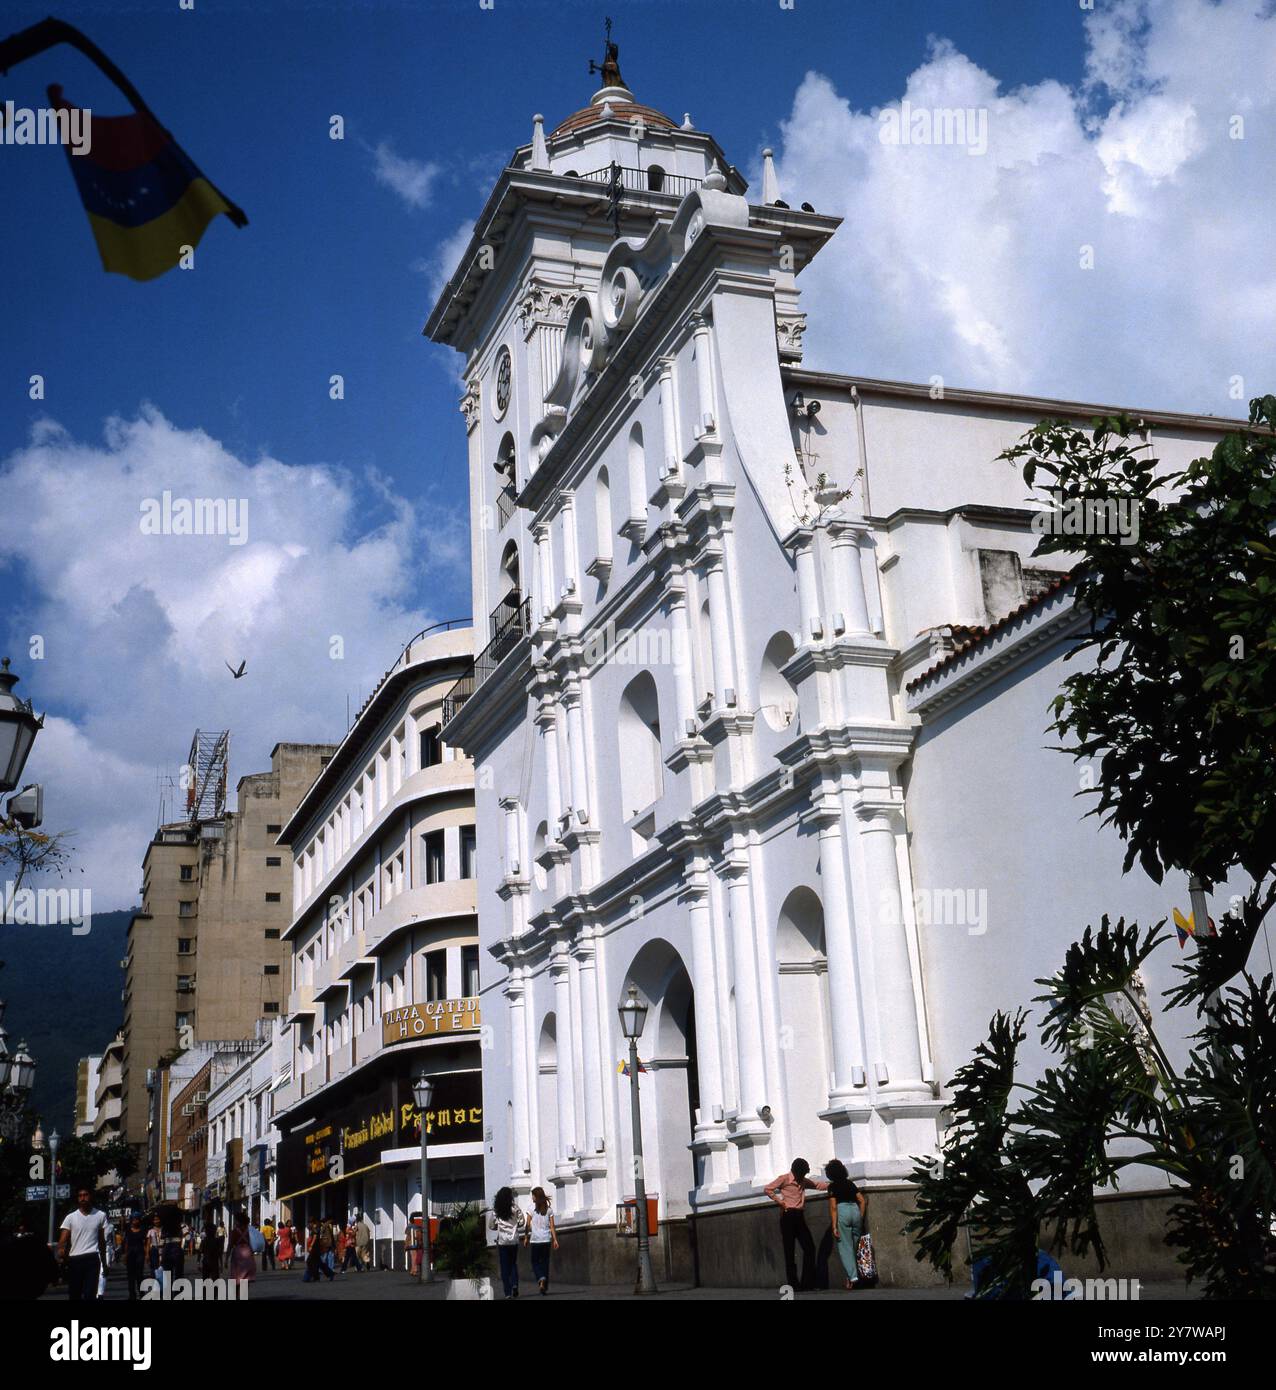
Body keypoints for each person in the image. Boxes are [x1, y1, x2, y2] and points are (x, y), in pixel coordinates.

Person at [764, 1158, 828, 1292]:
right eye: (802, 1174)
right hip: (787, 1215)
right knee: (789, 1250)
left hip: (799, 1216)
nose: (802, 1177)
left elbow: (817, 1185)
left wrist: (832, 1185)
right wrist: (780, 1202)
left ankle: (807, 1283)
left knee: (809, 1247)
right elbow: (768, 1189)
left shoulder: (803, 1181)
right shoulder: (784, 1179)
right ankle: (794, 1284)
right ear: (796, 1171)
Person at [56, 1187, 108, 1301]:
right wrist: (61, 1250)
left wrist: (104, 1263)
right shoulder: (70, 1217)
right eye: (80, 1196)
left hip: (92, 1258)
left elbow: (101, 1241)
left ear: (90, 1196)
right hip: (75, 1260)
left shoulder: (100, 1215)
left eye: (85, 1195)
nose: (83, 1198)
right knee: (75, 1294)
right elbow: (63, 1239)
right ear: (77, 1199)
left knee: (90, 1294)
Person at [823, 1159, 867, 1289]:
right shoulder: (850, 1184)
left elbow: (833, 1208)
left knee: (845, 1247)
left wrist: (834, 1226)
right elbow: (862, 1201)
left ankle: (853, 1277)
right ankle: (850, 1279)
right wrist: (861, 1216)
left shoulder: (832, 1187)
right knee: (854, 1247)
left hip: (842, 1212)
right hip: (855, 1211)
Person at [488, 1187, 527, 1299]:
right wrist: (515, 1226)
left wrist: (498, 1227)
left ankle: (508, 1293)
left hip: (502, 1241)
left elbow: (491, 1225)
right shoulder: (515, 1208)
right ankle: (515, 1285)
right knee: (513, 1264)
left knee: (505, 1267)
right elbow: (522, 1222)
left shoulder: (496, 1210)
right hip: (514, 1240)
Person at [525, 1187, 558, 1295]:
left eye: (533, 1195)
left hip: (535, 1240)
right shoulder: (549, 1210)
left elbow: (527, 1224)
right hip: (546, 1240)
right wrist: (555, 1240)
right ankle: (544, 1284)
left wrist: (526, 1237)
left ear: (536, 1196)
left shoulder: (531, 1209)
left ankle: (541, 1278)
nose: (532, 1197)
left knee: (534, 1262)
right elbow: (552, 1226)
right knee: (545, 1263)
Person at [227, 1212, 256, 1285]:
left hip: (238, 1253)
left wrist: (226, 1258)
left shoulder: (234, 1232)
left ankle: (237, 1293)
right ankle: (243, 1294)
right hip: (248, 1253)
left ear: (238, 1221)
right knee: (246, 1276)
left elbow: (230, 1245)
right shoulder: (250, 1231)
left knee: (237, 1275)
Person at [123, 1215, 147, 1300]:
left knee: (140, 1275)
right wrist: (125, 1255)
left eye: (137, 1219)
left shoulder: (143, 1230)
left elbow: (145, 1243)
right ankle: (132, 1295)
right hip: (130, 1254)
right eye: (134, 1219)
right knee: (130, 1276)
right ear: (131, 1221)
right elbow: (126, 1243)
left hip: (140, 1254)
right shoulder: (128, 1230)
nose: (135, 1221)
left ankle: (142, 1294)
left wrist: (147, 1255)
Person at [146, 1213, 163, 1277]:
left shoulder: (163, 1230)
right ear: (153, 1221)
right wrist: (147, 1254)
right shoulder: (150, 1231)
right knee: (154, 1266)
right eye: (155, 1220)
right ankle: (154, 1280)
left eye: (158, 1219)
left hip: (162, 1249)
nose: (156, 1221)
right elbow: (148, 1243)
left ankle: (162, 1280)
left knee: (162, 1265)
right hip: (154, 1249)